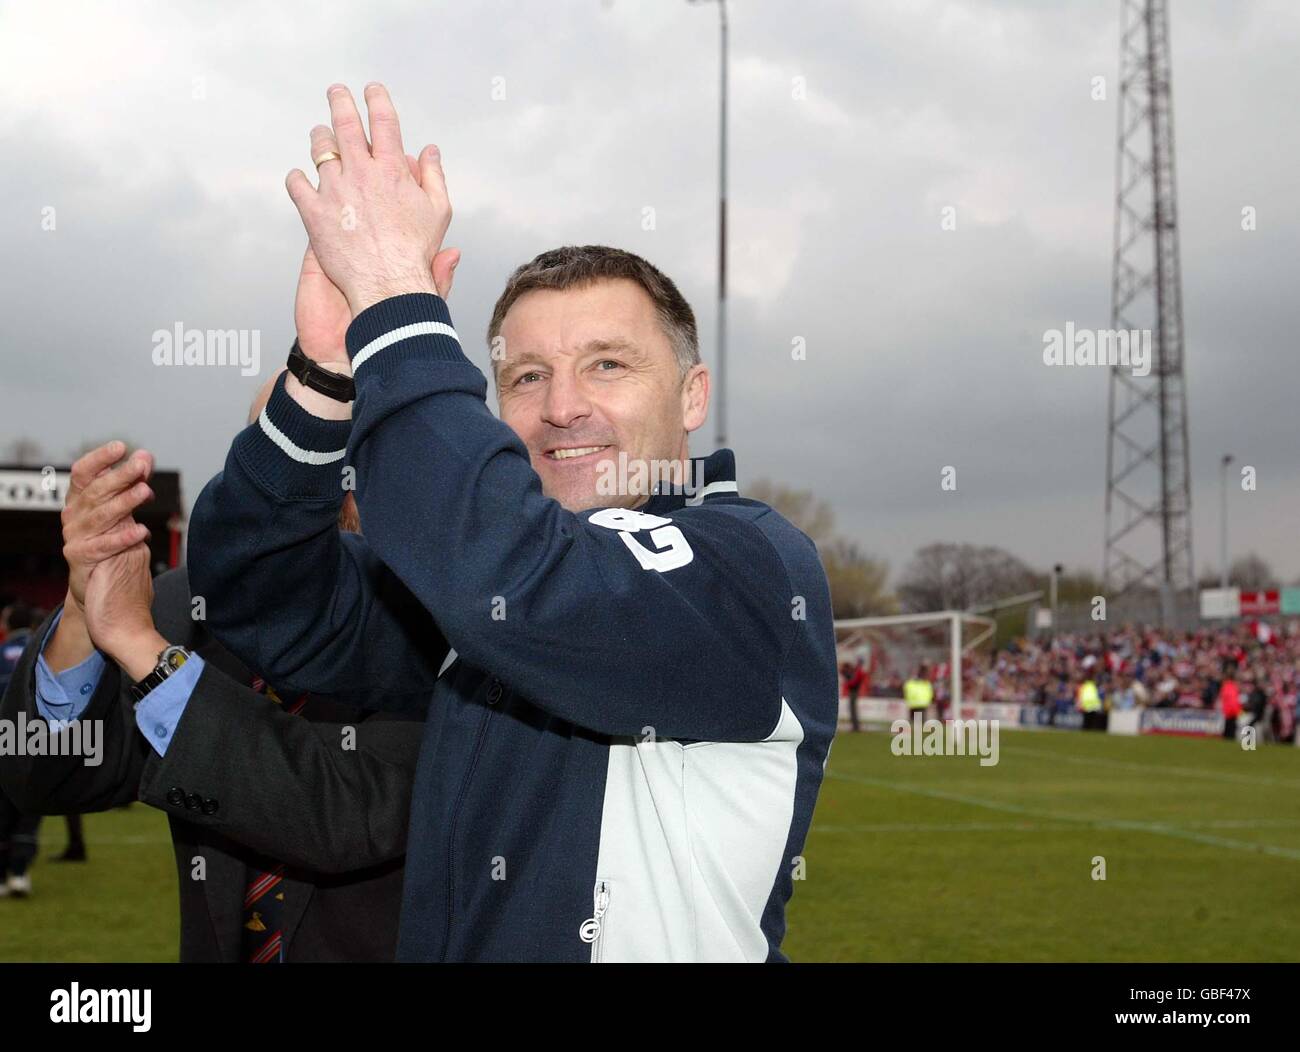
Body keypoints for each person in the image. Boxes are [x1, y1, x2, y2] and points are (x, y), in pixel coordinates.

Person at [184, 82, 837, 963]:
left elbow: (527, 581)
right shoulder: (478, 592)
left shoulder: (751, 565)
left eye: (607, 365)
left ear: (693, 396)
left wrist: (392, 300)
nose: (562, 407)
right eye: (526, 377)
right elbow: (262, 600)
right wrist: (327, 373)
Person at [0, 429, 428, 959]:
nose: (307, 479)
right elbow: (46, 779)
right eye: (282, 453)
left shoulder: (444, 623)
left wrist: (140, 647)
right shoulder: (188, 606)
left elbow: (332, 813)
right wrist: (84, 604)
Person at [0, 602, 42, 898]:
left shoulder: (1, 654)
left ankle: (2, 876)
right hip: (34, 739)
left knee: (2, 807)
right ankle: (20, 873)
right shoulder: (45, 650)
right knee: (29, 806)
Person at [1218, 662, 1242, 741]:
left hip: (1230, 709)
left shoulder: (1227, 686)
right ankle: (1229, 738)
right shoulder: (1234, 686)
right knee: (1231, 726)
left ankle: (1228, 738)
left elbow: (1226, 698)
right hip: (1232, 709)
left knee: (1229, 725)